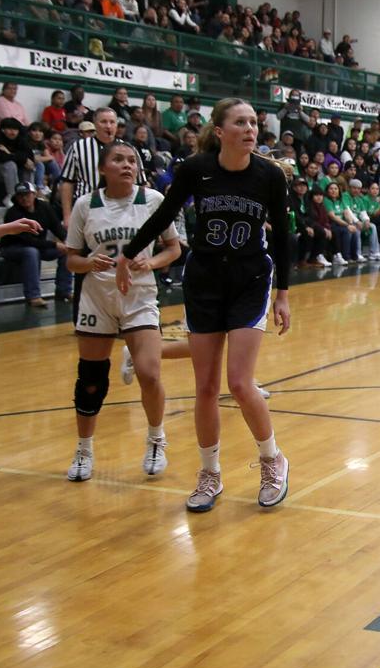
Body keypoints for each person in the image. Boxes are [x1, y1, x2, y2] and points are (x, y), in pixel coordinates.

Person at [117, 98, 292, 513]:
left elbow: (284, 235)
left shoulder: (269, 175)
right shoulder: (197, 169)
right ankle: (209, 473)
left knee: (239, 382)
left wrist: (283, 293)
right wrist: (128, 252)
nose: (250, 129)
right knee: (206, 388)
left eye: (254, 122)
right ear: (220, 130)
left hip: (250, 280)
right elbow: (164, 217)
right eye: (240, 122)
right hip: (205, 281)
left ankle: (272, 459)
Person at [64, 142, 181, 482]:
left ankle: (156, 439)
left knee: (150, 372)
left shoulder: (154, 201)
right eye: (118, 159)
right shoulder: (86, 205)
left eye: (132, 160)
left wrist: (152, 261)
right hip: (98, 296)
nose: (127, 165)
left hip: (139, 295)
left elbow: (173, 249)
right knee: (90, 380)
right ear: (103, 168)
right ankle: (84, 449)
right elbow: (71, 259)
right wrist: (88, 261)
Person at [59, 107, 147, 227]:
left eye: (112, 122)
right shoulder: (79, 147)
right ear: (95, 124)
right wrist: (67, 215)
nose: (108, 126)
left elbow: (141, 184)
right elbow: (67, 183)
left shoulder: (129, 149)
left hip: (123, 212)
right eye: (104, 122)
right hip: (87, 210)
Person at [0, 181, 72, 307]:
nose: (24, 198)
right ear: (16, 198)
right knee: (31, 252)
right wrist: (54, 244)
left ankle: (64, 291)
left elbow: (56, 227)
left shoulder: (44, 207)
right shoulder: (13, 213)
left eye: (27, 195)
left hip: (38, 246)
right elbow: (27, 240)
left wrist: (68, 242)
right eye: (20, 196)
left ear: (34, 194)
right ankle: (33, 296)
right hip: (13, 247)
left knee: (66, 251)